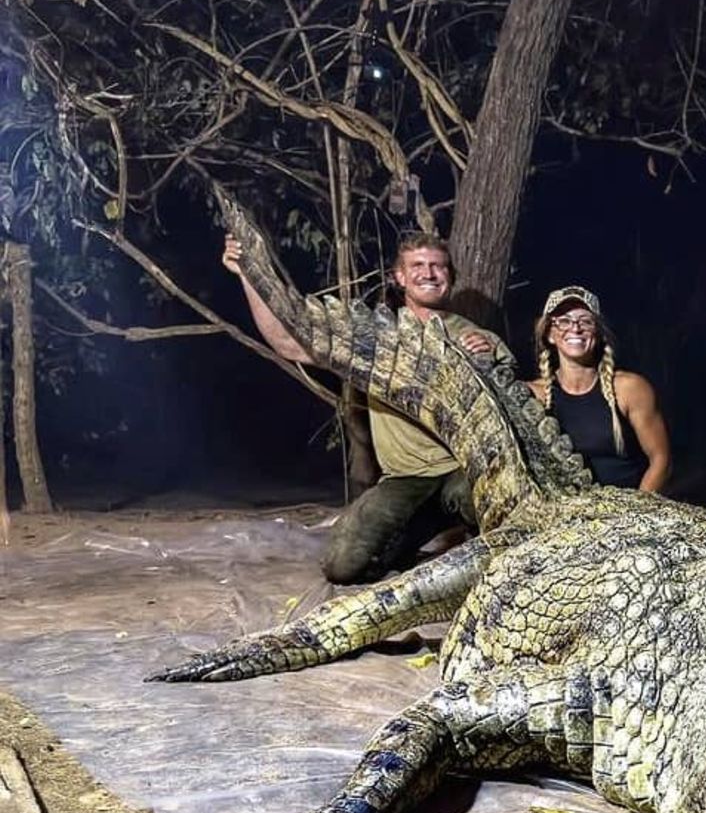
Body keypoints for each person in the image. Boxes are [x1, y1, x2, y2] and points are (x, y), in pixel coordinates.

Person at [222, 229, 517, 583]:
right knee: (342, 566)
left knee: (488, 502)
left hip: (462, 471)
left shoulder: (477, 338)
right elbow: (287, 342)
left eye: (438, 266)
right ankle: (423, 539)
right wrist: (247, 276)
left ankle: (487, 560)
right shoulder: (377, 338)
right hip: (405, 479)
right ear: (400, 277)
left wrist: (488, 364)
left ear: (449, 277)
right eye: (418, 266)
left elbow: (520, 404)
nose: (429, 273)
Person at [528, 285, 671, 492]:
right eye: (564, 321)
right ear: (550, 333)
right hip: (569, 517)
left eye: (585, 321)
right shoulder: (534, 395)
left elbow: (661, 460)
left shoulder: (629, 389)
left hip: (633, 509)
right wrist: (484, 341)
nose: (575, 328)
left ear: (599, 332)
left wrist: (634, 515)